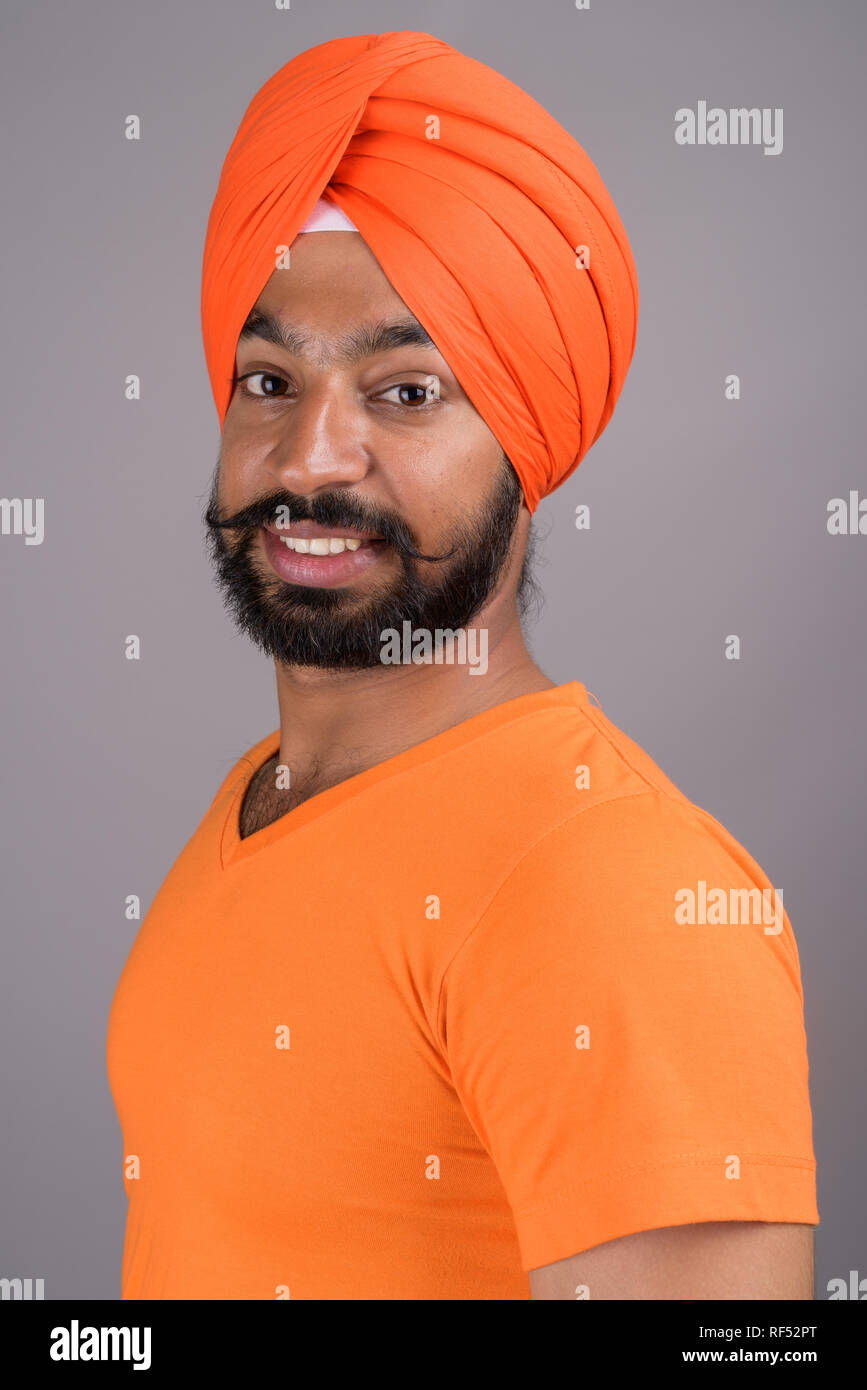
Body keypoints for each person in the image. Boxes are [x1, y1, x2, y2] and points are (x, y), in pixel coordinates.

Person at [106, 30, 818, 1300]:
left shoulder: (614, 882)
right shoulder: (264, 796)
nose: (313, 458)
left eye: (408, 391)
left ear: (527, 442)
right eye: (269, 378)